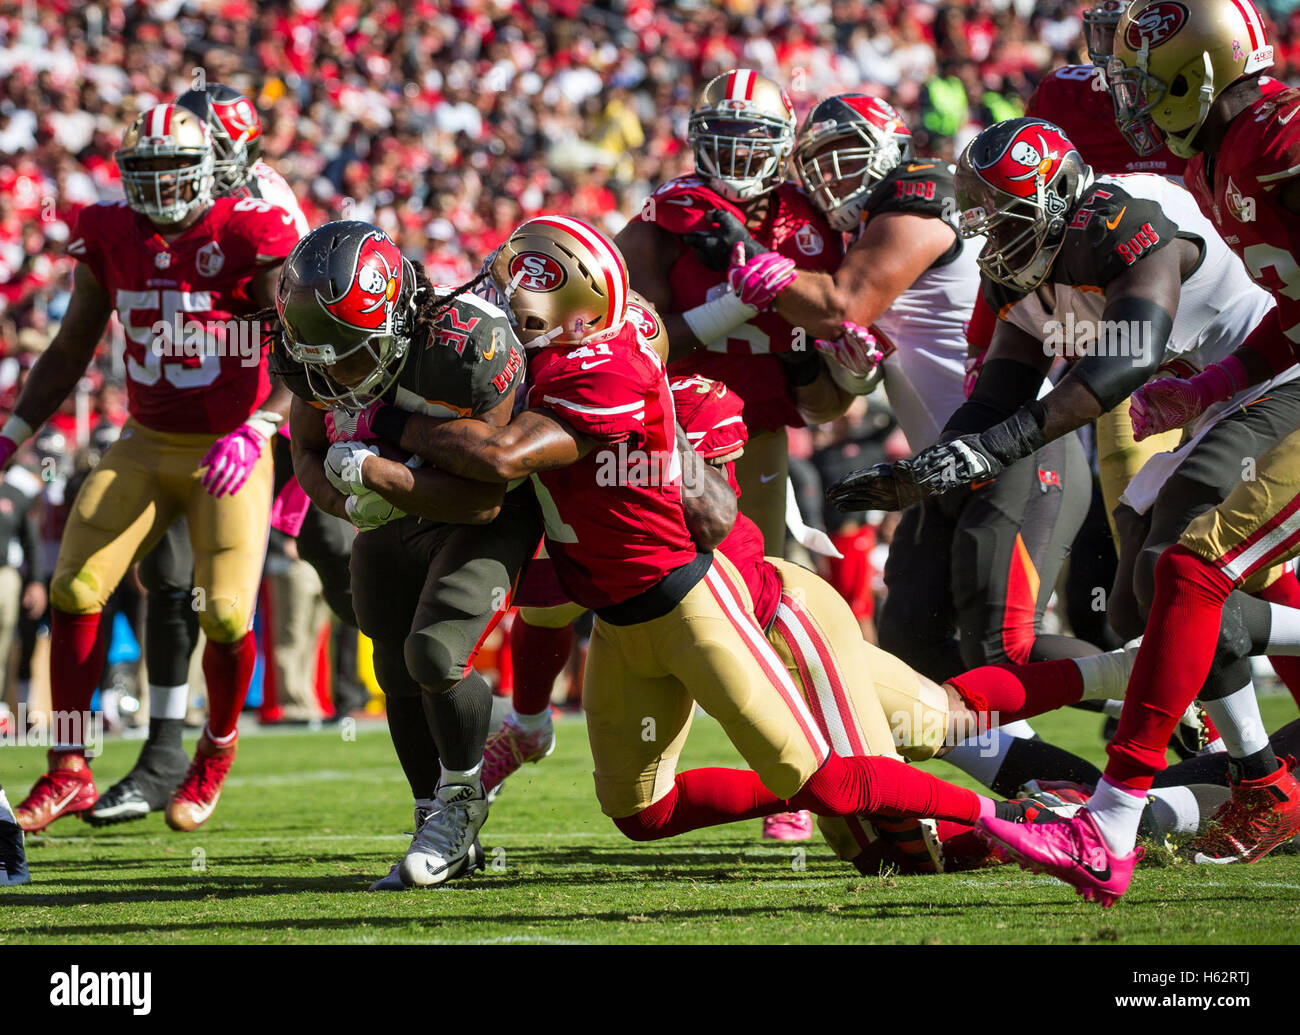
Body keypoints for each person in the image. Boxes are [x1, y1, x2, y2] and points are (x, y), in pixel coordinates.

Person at [327, 214, 1126, 868]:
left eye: (523, 297)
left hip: (717, 600)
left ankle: (1041, 808)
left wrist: (386, 425)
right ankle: (1104, 682)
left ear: (568, 312)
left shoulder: (597, 374)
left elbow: (500, 455)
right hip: (623, 619)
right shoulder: (586, 347)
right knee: (645, 811)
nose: (505, 310)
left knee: (885, 795)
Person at [978, 0, 1300, 904]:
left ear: (1198, 67)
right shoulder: (1221, 158)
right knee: (1161, 581)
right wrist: (1202, 387)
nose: (1128, 100)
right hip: (1255, 375)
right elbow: (1292, 321)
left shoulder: (1273, 136)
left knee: (1191, 565)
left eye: (1140, 79)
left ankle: (1114, 821)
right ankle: (1264, 782)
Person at [5, 104, 297, 834]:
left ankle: (215, 752)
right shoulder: (110, 232)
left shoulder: (246, 229)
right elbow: (72, 347)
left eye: (177, 170)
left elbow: (303, 342)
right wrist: (11, 432)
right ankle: (68, 766)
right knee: (73, 585)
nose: (163, 187)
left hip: (230, 441)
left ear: (209, 170)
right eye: (149, 171)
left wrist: (262, 426)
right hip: (146, 437)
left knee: (225, 610)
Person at [88, 84, 358, 826]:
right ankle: (163, 755)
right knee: (170, 575)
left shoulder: (263, 213)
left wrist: (280, 427)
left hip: (285, 410)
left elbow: (309, 345)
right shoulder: (160, 212)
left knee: (335, 547)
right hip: (202, 427)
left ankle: (407, 666)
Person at [272, 219, 540, 889]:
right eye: (322, 355)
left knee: (433, 654)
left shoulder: (468, 342)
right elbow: (303, 447)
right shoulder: (315, 347)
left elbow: (487, 493)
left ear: (395, 320)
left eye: (352, 353)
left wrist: (386, 479)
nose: (335, 370)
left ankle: (461, 802)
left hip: (491, 508)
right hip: (393, 502)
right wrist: (342, 501)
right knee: (391, 662)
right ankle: (432, 813)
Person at [614, 69, 845, 555]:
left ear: (784, 145)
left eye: (752, 137)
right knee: (637, 580)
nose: (737, 151)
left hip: (758, 426)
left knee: (758, 572)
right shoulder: (666, 218)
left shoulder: (810, 221)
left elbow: (829, 371)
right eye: (723, 135)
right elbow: (637, 345)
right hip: (666, 431)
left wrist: (843, 369)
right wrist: (735, 305)